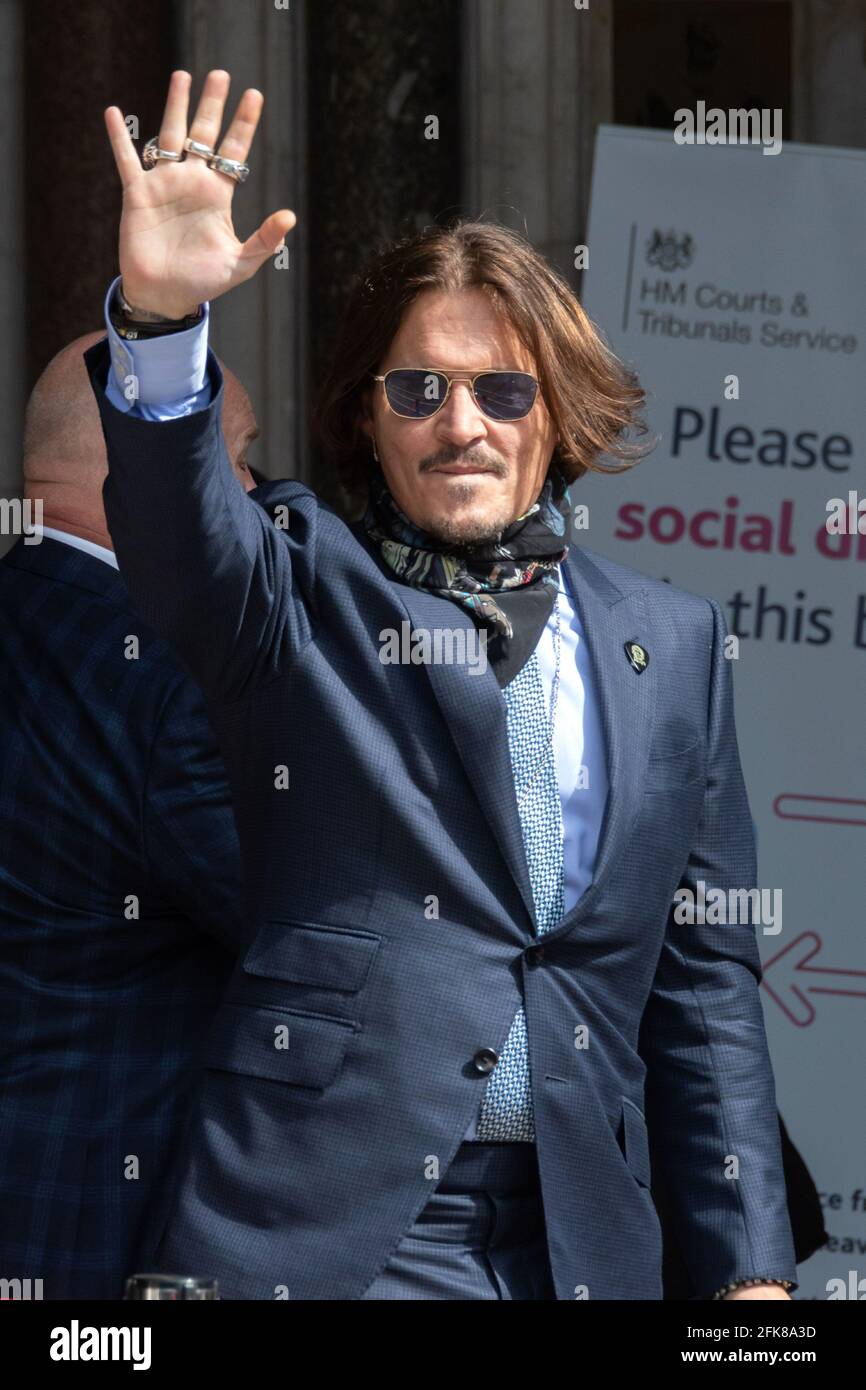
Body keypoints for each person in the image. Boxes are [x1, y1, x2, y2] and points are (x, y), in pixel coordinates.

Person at [86, 68, 798, 1301]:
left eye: (500, 390)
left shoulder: (674, 643)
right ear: (368, 420)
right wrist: (158, 322)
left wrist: (751, 1277)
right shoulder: (302, 585)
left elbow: (704, 989)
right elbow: (184, 546)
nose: (458, 423)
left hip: (577, 1239)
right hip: (323, 1229)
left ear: (552, 414)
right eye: (417, 389)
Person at [0, 329, 258, 1299]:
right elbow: (297, 927)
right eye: (233, 458)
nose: (253, 495)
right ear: (140, 473)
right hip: (98, 1233)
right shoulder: (164, 683)